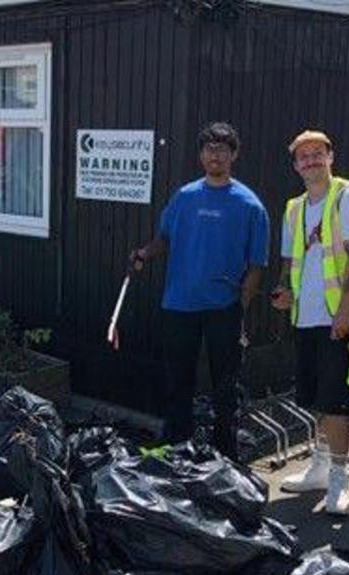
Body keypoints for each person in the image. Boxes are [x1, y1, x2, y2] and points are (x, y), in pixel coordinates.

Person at [130, 121, 269, 453]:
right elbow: (164, 238)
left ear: (234, 154)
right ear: (201, 155)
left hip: (224, 308)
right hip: (179, 304)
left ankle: (226, 449)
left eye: (222, 148)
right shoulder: (185, 197)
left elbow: (256, 265)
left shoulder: (250, 205)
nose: (215, 155)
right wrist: (143, 254)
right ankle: (177, 442)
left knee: (225, 384)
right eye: (209, 148)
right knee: (178, 378)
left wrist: (241, 307)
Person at [271, 130, 349, 515]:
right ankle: (319, 465)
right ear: (295, 164)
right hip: (305, 315)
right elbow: (289, 259)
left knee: (337, 400)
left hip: (337, 316)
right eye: (303, 156)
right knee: (314, 395)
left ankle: (338, 477)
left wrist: (346, 309)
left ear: (331, 156)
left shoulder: (348, 197)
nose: (311, 160)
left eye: (318, 153)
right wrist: (284, 289)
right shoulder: (295, 207)